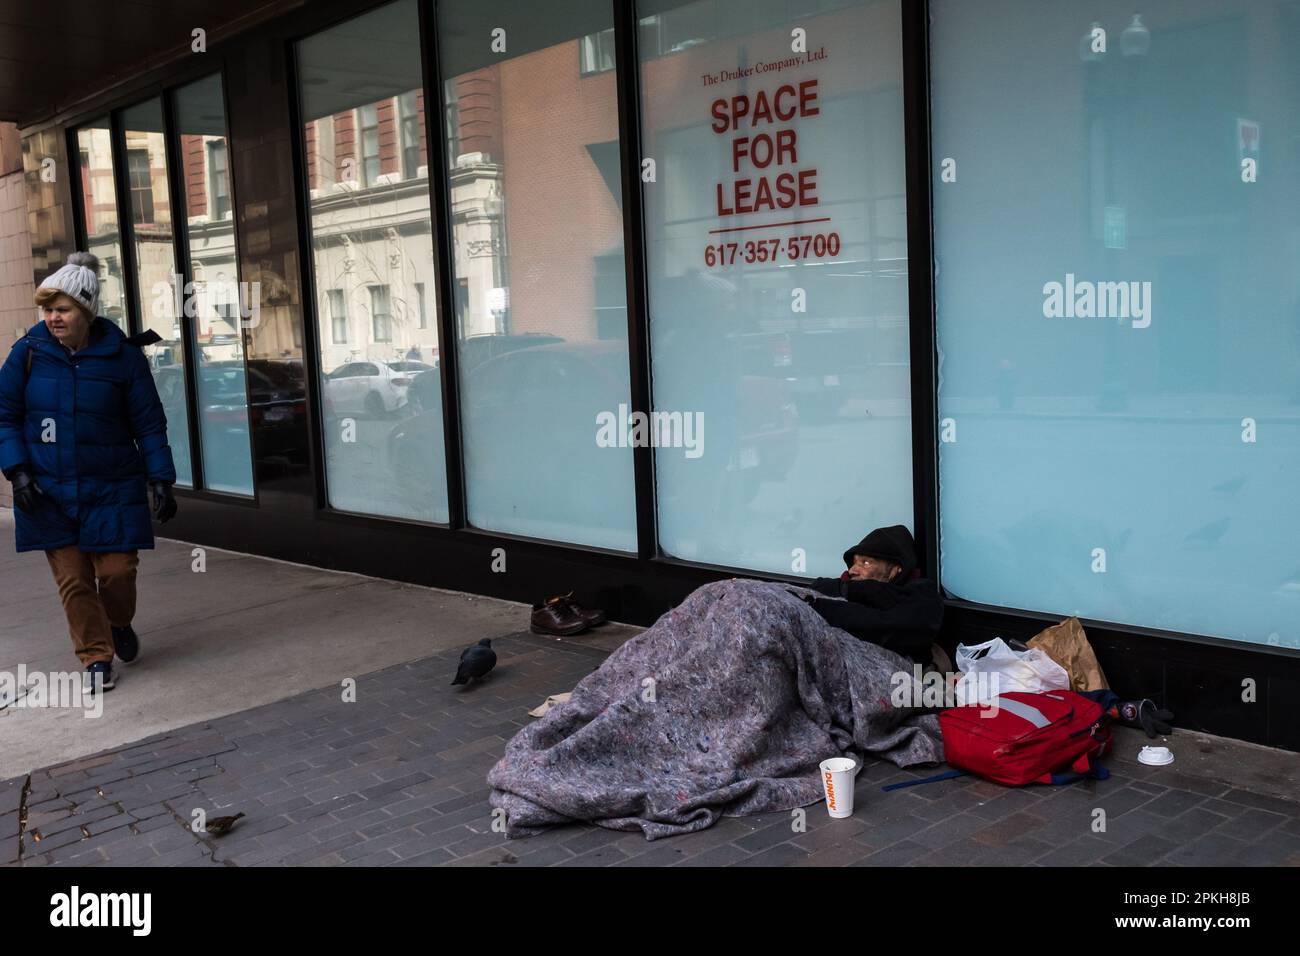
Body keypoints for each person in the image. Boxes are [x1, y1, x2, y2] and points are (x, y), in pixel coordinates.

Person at [0, 252, 178, 693]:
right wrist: (18, 473)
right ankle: (96, 658)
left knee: (117, 573)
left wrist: (161, 477)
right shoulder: (28, 352)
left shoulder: (122, 357)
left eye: (62, 310)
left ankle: (119, 622)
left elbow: (149, 422)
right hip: (48, 490)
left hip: (112, 486)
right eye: (48, 310)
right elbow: (4, 415)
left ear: (86, 311)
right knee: (74, 582)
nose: (53, 318)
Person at [802, 524, 945, 666]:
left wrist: (854, 593)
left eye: (865, 562)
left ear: (896, 569)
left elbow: (888, 628)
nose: (852, 570)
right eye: (854, 563)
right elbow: (816, 589)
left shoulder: (923, 595)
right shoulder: (841, 587)